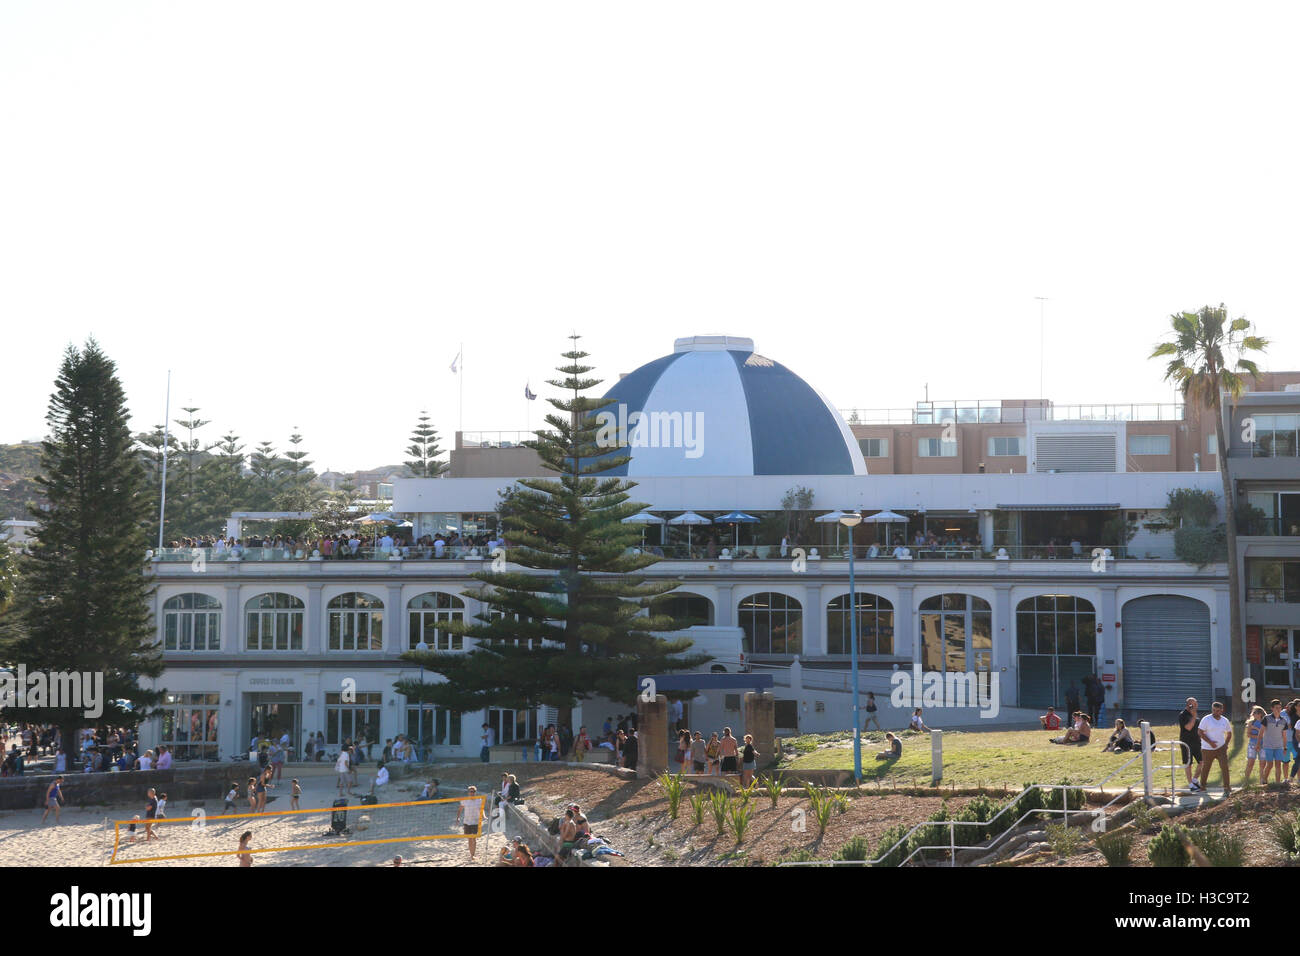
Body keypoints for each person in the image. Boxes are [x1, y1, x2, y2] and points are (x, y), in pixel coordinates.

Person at [1197, 700, 1232, 795]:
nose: (1216, 712)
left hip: (1221, 748)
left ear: (1222, 710)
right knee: (1206, 767)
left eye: (1218, 710)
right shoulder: (1206, 719)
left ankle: (1227, 786)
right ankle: (1203, 786)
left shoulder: (1225, 720)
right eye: (1214, 710)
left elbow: (1229, 733)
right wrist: (1210, 742)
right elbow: (1200, 732)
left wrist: (1226, 744)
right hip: (1207, 749)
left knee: (1224, 767)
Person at [1262, 699, 1292, 785]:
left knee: (1278, 764)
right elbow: (1261, 732)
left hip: (1279, 746)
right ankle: (1264, 780)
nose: (1278, 709)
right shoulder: (1266, 718)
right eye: (1276, 708)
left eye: (1279, 707)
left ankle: (1277, 783)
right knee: (1270, 764)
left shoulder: (1283, 721)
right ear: (1272, 708)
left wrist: (1285, 747)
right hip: (1268, 745)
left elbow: (1284, 736)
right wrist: (1258, 744)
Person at [1179, 698, 1204, 791]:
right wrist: (1193, 716)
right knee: (1188, 763)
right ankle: (1190, 785)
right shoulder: (1183, 715)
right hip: (1186, 742)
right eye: (1192, 705)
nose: (1195, 706)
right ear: (1188, 705)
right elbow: (1188, 727)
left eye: (1196, 704)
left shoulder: (1195, 715)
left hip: (1196, 742)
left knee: (1202, 762)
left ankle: (1195, 780)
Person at [458, 786, 483, 861]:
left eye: (473, 792)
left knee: (474, 839)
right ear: (468, 792)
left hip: (475, 822)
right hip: (467, 822)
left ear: (475, 792)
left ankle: (473, 855)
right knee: (469, 839)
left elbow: (482, 809)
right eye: (470, 792)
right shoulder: (464, 800)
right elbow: (460, 809)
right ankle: (471, 855)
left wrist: (484, 816)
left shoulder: (479, 800)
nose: (472, 793)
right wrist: (458, 818)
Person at [1244, 705, 1265, 785]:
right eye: (1253, 713)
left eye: (1255, 713)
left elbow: (1265, 734)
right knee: (1250, 763)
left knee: (1262, 763)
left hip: (1263, 745)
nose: (1253, 714)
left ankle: (1261, 782)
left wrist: (1256, 729)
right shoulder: (1251, 722)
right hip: (1252, 745)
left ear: (1260, 714)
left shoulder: (1265, 722)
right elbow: (1248, 735)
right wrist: (1258, 735)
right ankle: (1246, 782)